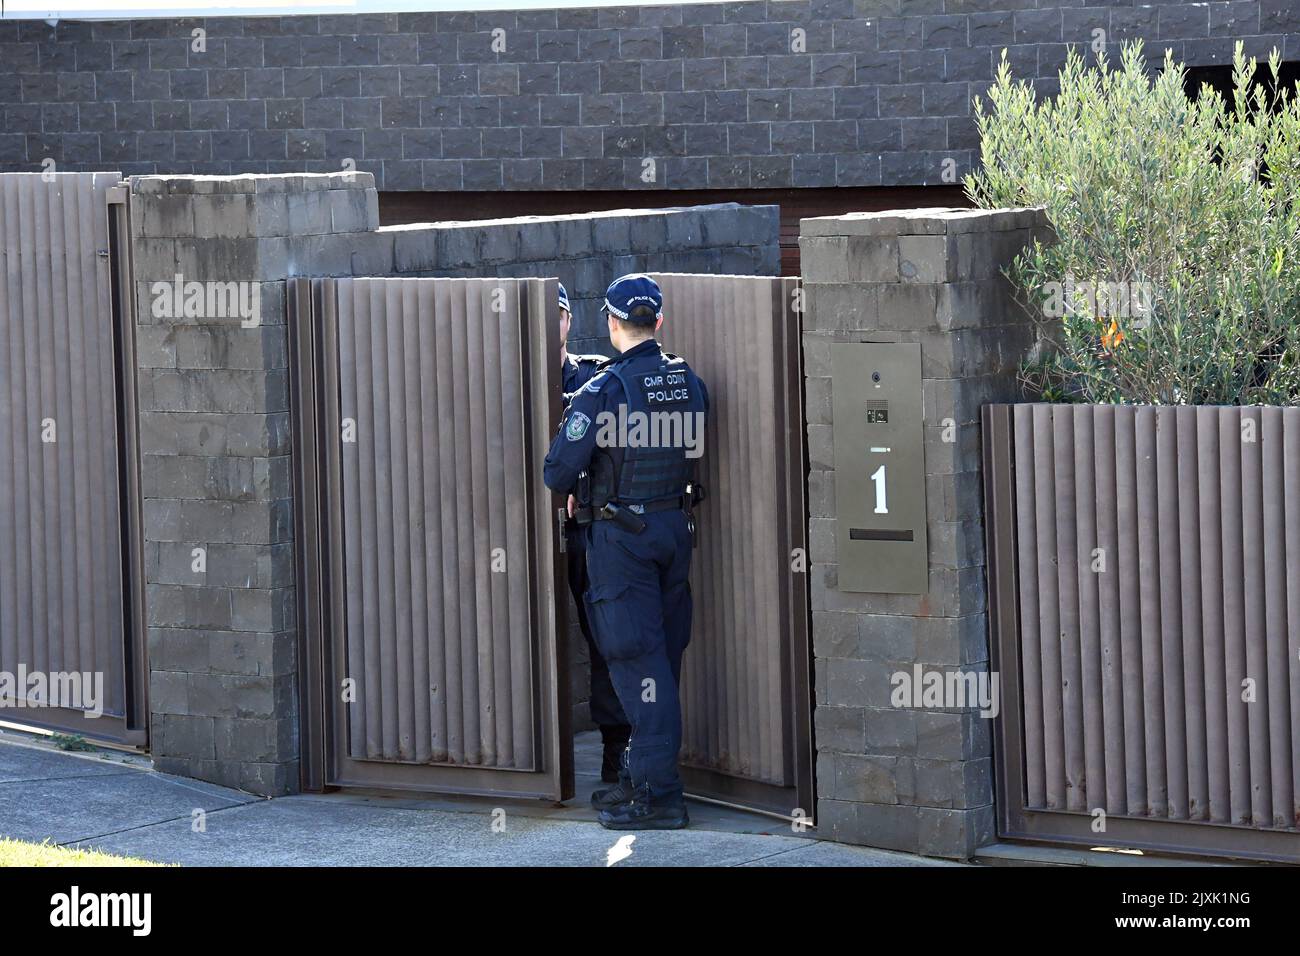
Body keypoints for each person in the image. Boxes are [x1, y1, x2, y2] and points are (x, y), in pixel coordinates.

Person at [543, 274, 708, 830]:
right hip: (673, 531)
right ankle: (642, 780)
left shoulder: (603, 390)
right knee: (661, 664)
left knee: (640, 667)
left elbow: (557, 471)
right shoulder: (689, 381)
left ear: (613, 324)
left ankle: (659, 798)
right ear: (658, 323)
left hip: (622, 543)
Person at [555, 282, 632, 784]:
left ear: (569, 319)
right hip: (516, 540)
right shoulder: (503, 375)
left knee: (604, 640)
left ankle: (614, 753)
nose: (550, 323)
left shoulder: (596, 376)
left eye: (557, 313)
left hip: (584, 536)